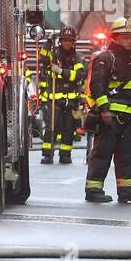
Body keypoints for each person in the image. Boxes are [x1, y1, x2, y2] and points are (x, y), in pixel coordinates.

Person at [85, 16, 131, 204]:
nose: (130, 40)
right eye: (126, 37)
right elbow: (97, 86)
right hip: (110, 117)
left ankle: (127, 192)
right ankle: (94, 191)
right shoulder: (105, 58)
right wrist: (104, 110)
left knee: (128, 155)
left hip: (128, 117)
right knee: (102, 154)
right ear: (116, 37)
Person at [38, 27, 85, 164]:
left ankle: (65, 155)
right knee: (51, 127)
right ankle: (47, 154)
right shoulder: (54, 55)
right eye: (65, 40)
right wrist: (47, 42)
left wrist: (61, 71)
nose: (67, 43)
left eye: (70, 41)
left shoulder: (77, 58)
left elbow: (79, 76)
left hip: (70, 102)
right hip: (54, 100)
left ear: (73, 42)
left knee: (68, 129)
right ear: (60, 41)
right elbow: (43, 58)